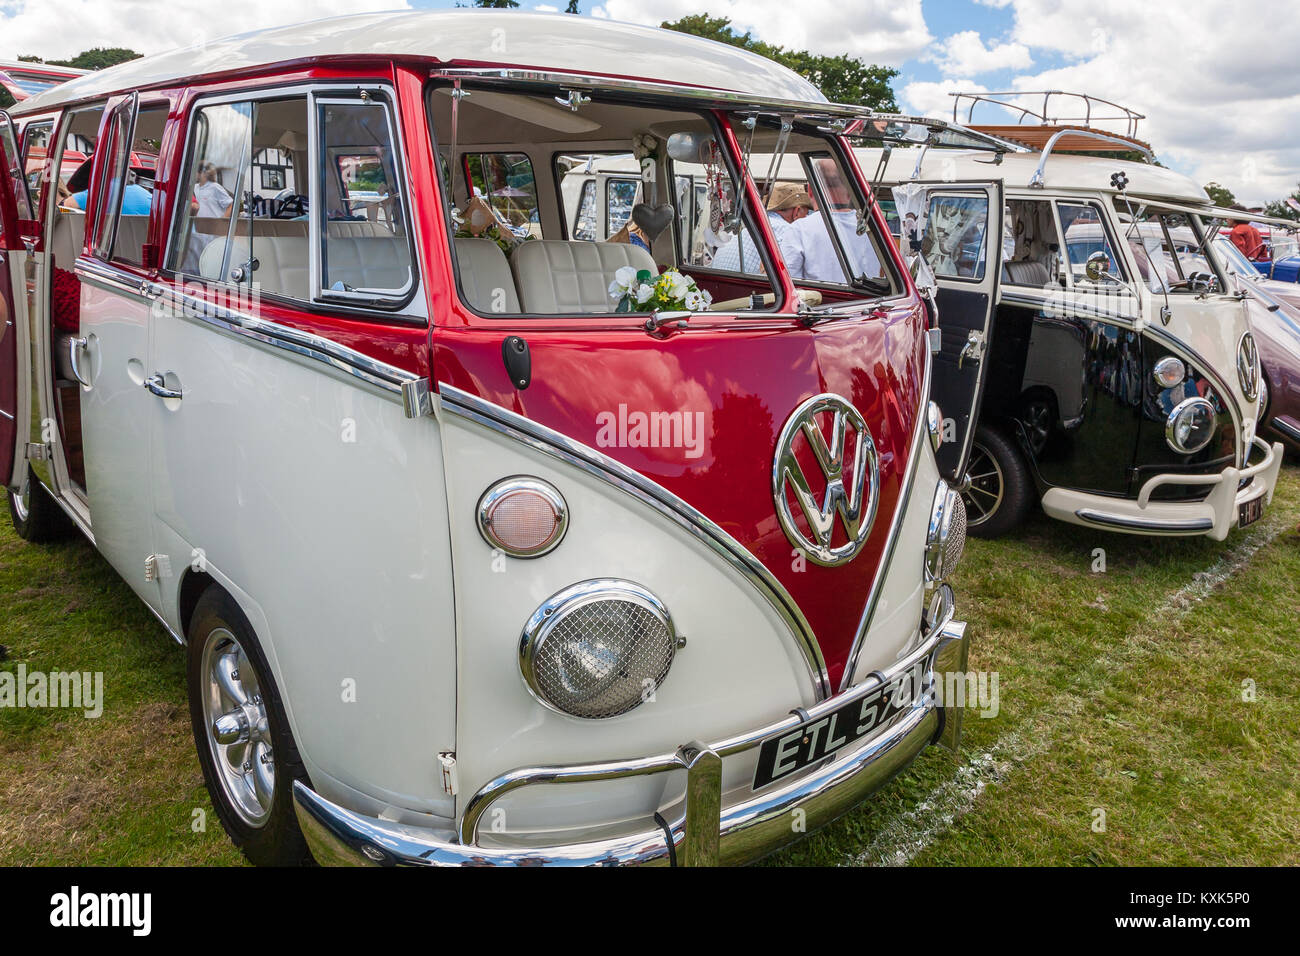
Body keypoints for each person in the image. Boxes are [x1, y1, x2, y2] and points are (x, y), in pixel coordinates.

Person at [794, 166, 882, 283]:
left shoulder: (799, 229)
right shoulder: (875, 227)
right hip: (870, 299)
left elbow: (790, 283)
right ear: (850, 192)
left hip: (825, 300)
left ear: (810, 190)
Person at [710, 181, 814, 276]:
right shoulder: (787, 230)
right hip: (748, 292)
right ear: (797, 211)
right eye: (806, 213)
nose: (806, 217)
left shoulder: (753, 225)